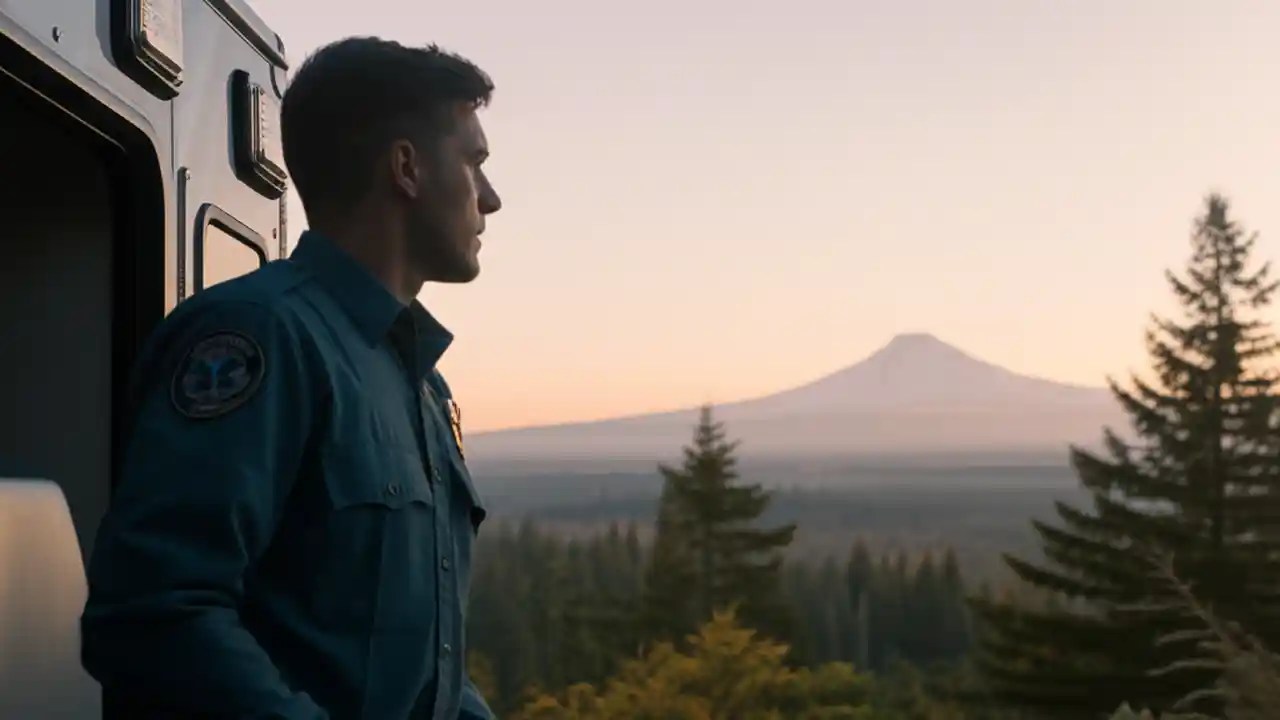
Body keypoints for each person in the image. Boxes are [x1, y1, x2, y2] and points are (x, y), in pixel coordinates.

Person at [81, 36, 502, 719]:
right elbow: (156, 615)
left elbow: (423, 673)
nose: (491, 198)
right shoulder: (261, 338)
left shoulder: (420, 382)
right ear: (406, 168)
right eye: (475, 162)